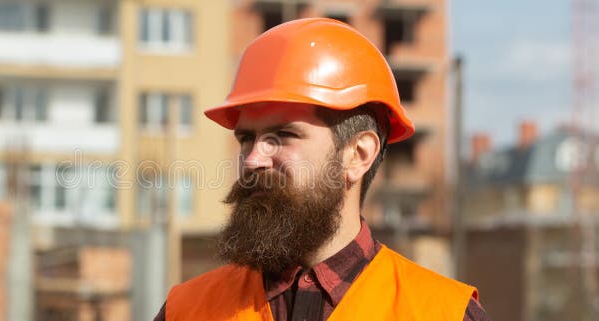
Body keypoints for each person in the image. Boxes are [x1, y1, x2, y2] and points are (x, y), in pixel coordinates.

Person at [154, 18, 490, 321]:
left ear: (358, 154)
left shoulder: (442, 313)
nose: (253, 159)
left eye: (283, 135)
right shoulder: (186, 310)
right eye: (246, 138)